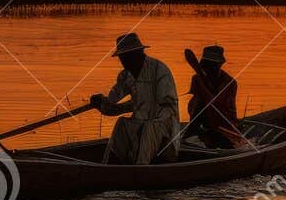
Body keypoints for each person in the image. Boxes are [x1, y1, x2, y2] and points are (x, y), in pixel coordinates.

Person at [90, 32, 181, 165]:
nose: (122, 61)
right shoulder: (126, 75)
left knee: (149, 128)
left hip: (164, 128)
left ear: (137, 54)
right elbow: (112, 102)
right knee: (121, 124)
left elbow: (168, 108)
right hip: (140, 124)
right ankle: (110, 167)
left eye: (125, 57)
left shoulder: (159, 70)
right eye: (121, 57)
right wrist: (101, 103)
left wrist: (146, 122)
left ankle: (140, 169)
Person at [184, 45, 247, 149]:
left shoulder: (229, 83)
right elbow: (195, 105)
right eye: (207, 65)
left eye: (213, 65)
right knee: (198, 104)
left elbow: (221, 107)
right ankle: (191, 136)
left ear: (219, 65)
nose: (209, 68)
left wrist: (206, 88)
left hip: (224, 123)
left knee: (224, 140)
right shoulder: (197, 79)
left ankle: (201, 137)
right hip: (203, 121)